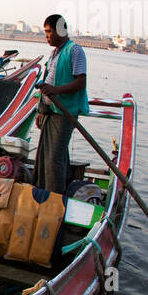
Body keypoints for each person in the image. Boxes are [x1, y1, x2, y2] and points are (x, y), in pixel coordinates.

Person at [34, 12, 90, 193]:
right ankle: (53, 192)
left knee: (54, 160)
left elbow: (81, 82)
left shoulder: (75, 51)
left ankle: (54, 201)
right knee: (46, 156)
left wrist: (56, 91)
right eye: (45, 32)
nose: (47, 36)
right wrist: (41, 111)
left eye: (49, 31)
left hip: (65, 112)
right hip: (51, 111)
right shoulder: (54, 53)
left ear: (60, 30)